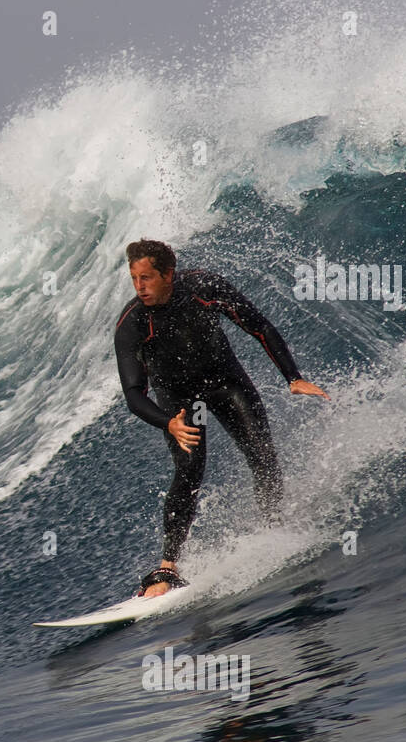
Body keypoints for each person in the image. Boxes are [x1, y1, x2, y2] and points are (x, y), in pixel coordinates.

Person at [113, 239, 329, 597]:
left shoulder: (204, 288)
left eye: (147, 278)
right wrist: (168, 422)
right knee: (188, 470)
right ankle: (168, 569)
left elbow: (259, 326)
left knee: (262, 455)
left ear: (169, 273)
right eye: (135, 278)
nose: (140, 287)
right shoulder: (133, 323)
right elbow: (134, 394)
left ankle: (276, 528)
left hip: (225, 384)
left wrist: (293, 377)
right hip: (179, 403)